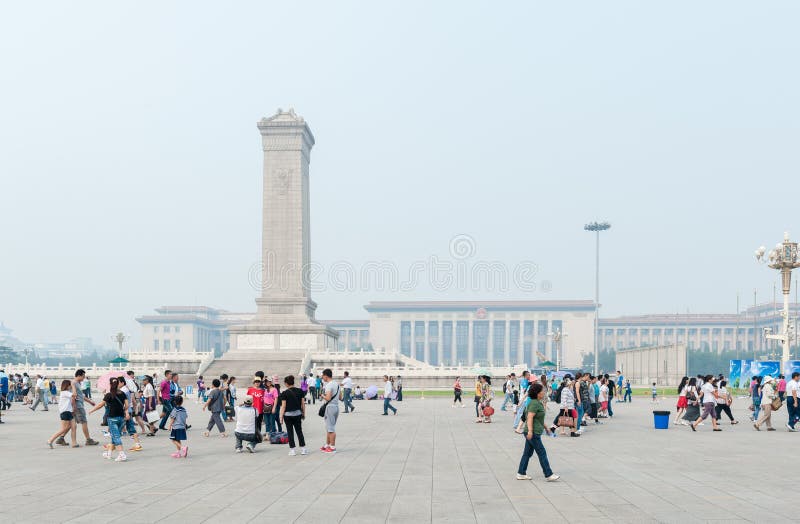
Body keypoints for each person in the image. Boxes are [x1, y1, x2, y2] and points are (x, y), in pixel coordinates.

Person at [517, 383, 560, 482]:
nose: (544, 392)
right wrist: (531, 432)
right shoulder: (534, 403)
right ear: (537, 393)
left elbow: (539, 418)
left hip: (534, 432)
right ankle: (548, 474)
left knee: (527, 454)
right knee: (542, 453)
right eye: (542, 391)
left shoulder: (537, 402)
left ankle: (521, 473)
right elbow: (530, 418)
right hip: (533, 433)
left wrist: (546, 428)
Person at [88, 377, 129, 462]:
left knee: (116, 436)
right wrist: (124, 411)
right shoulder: (122, 393)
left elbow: (100, 405)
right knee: (114, 436)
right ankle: (109, 453)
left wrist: (92, 410)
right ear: (118, 384)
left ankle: (122, 454)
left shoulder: (109, 395)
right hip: (121, 418)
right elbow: (127, 405)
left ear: (110, 384)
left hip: (112, 418)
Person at [63, 369, 99, 446]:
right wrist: (74, 406)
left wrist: (89, 401)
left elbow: (81, 395)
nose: (84, 378)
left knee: (71, 424)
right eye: (83, 376)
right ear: (79, 375)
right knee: (84, 422)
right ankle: (88, 440)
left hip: (77, 405)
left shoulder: (77, 383)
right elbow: (73, 395)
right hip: (78, 406)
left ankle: (61, 438)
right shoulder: (74, 383)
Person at [279, 375, 307, 455]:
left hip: (288, 416)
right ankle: (303, 449)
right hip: (298, 414)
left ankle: (292, 450)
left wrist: (281, 417)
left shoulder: (284, 393)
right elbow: (303, 404)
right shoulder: (300, 391)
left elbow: (283, 406)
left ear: (286, 383)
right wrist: (304, 414)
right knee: (299, 431)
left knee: (290, 432)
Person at [47, 380, 77, 448]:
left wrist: (73, 409)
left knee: (73, 426)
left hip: (68, 412)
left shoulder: (66, 392)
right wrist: (73, 386)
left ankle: (74, 443)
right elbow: (74, 394)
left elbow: (72, 399)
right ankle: (50, 440)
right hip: (65, 412)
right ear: (67, 385)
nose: (70, 387)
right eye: (70, 385)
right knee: (64, 429)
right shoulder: (65, 392)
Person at [119, 375, 144, 452]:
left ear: (122, 382)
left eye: (118, 382)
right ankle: (137, 444)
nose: (117, 384)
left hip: (125, 411)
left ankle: (112, 446)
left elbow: (124, 403)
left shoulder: (123, 391)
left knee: (117, 430)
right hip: (128, 410)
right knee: (131, 429)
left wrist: (126, 412)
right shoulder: (126, 389)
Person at [320, 368, 339, 454]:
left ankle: (332, 447)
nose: (322, 377)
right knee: (329, 427)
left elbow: (328, 398)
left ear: (326, 376)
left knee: (331, 428)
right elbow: (341, 397)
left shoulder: (329, 385)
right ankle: (327, 445)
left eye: (322, 375)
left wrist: (322, 395)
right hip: (336, 407)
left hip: (330, 407)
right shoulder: (337, 384)